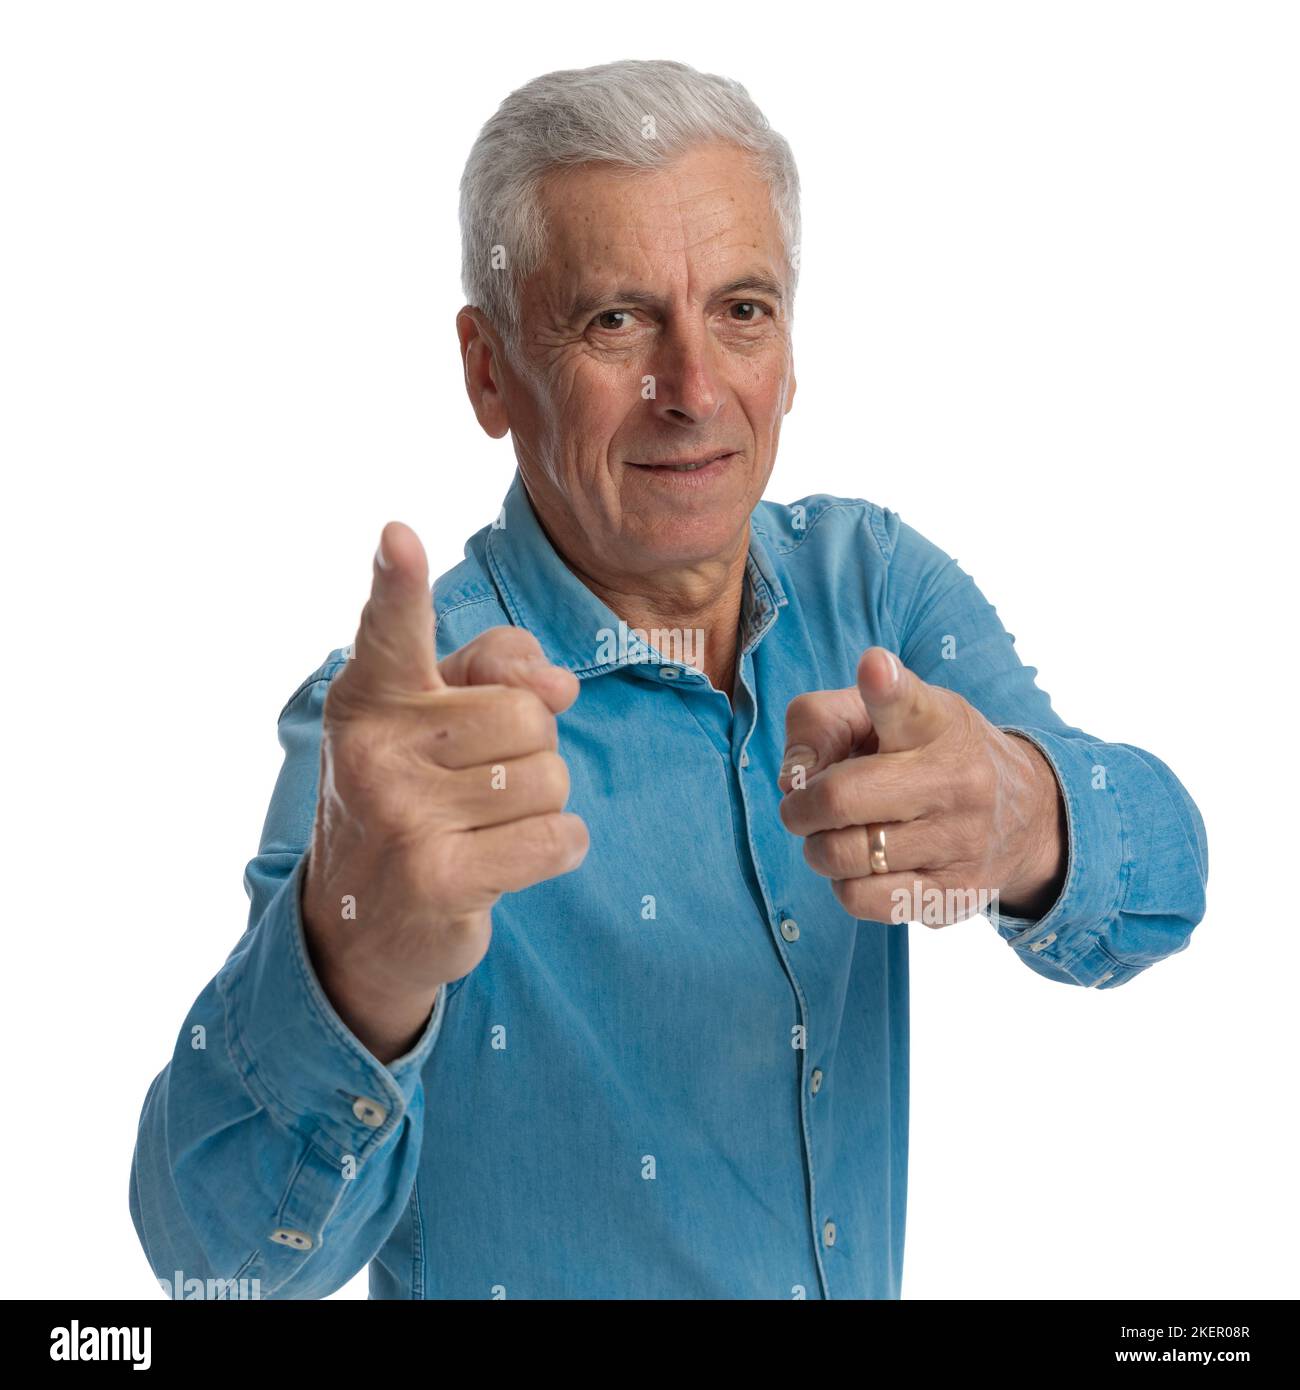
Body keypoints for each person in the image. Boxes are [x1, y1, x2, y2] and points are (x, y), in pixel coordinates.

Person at [129, 59, 1208, 1300]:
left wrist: (1029, 818)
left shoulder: (875, 589)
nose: (691, 391)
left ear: (791, 350)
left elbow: (1167, 884)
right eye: (614, 321)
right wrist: (353, 961)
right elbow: (214, 1264)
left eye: (741, 310)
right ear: (488, 371)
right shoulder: (402, 733)